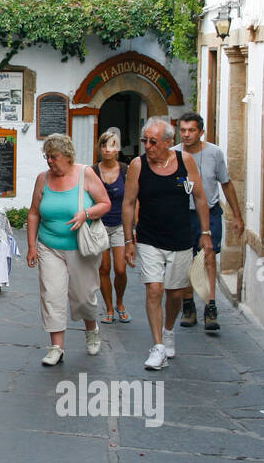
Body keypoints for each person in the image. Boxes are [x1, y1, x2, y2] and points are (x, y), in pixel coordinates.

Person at [122, 118, 213, 370]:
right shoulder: (138, 165)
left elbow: (200, 197)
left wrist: (205, 232)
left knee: (175, 293)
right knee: (154, 289)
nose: (148, 146)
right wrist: (129, 240)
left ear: (168, 143)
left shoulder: (185, 162)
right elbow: (129, 203)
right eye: (145, 141)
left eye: (153, 142)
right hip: (149, 237)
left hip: (180, 238)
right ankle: (158, 346)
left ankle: (169, 329)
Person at [26, 133, 112, 366]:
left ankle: (91, 329)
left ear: (67, 156)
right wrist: (32, 246)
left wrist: (87, 213)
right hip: (49, 246)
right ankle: (56, 347)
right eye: (47, 157)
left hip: (80, 248)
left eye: (53, 157)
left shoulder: (86, 174)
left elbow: (105, 203)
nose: (49, 162)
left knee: (83, 296)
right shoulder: (43, 179)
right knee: (51, 294)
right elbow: (34, 212)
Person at [174, 112, 244, 331]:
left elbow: (226, 183)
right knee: (186, 260)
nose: (186, 135)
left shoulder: (214, 153)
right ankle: (188, 305)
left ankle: (210, 306)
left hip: (210, 213)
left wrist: (237, 216)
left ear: (201, 132)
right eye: (183, 130)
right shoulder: (172, 154)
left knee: (208, 257)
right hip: (183, 214)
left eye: (191, 130)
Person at [93, 128, 131, 323]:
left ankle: (120, 301)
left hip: (119, 225)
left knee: (121, 269)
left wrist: (133, 227)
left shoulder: (126, 170)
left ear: (117, 149)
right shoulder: (93, 171)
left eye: (112, 146)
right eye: (104, 145)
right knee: (104, 269)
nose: (108, 150)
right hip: (100, 225)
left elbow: (133, 199)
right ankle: (109, 307)